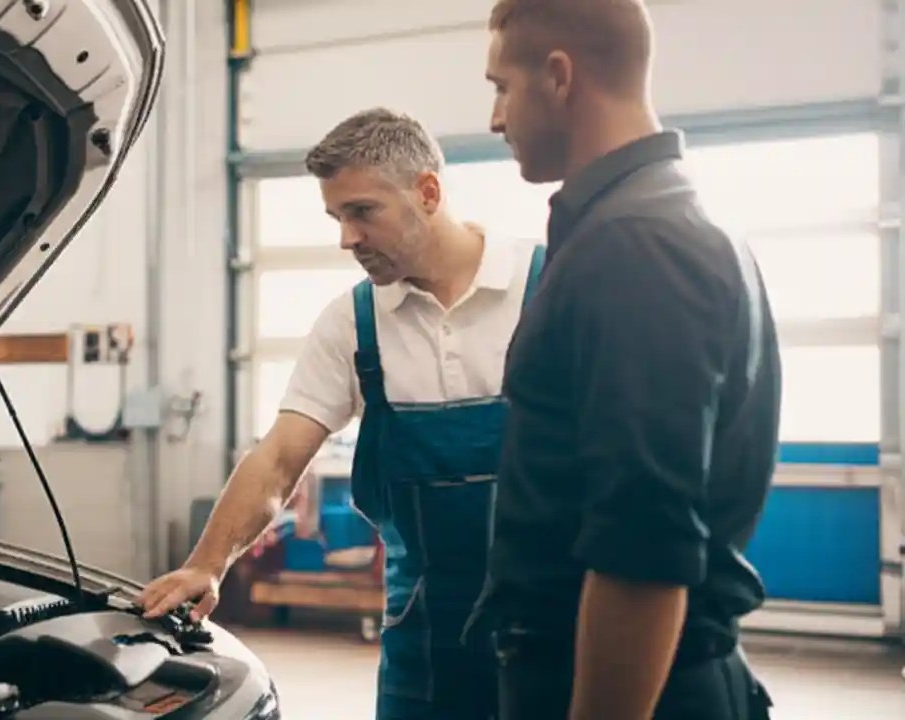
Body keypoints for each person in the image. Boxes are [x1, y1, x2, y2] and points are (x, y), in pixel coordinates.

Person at [137, 107, 546, 719]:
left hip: (554, 627)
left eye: (362, 212)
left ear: (427, 192)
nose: (346, 238)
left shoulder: (546, 287)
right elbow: (278, 460)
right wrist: (207, 563)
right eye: (336, 217)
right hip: (423, 639)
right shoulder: (353, 324)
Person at [470, 1, 782, 719]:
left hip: (633, 690)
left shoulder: (636, 247)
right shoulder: (658, 223)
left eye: (500, 87)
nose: (494, 119)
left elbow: (642, 549)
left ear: (557, 77)